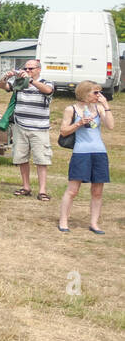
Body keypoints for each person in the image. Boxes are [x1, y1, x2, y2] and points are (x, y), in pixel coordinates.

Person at [57, 81, 113, 234]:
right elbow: (63, 131)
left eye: (99, 93)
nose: (98, 95)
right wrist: (79, 123)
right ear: (84, 93)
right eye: (95, 93)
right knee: (73, 190)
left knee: (97, 191)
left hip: (99, 152)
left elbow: (111, 125)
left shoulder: (100, 108)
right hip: (81, 153)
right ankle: (63, 221)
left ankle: (94, 223)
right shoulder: (71, 109)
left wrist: (106, 106)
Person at [1, 59, 55, 200]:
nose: (28, 71)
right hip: (20, 126)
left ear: (39, 69)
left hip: (39, 128)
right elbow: (3, 87)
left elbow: (48, 91)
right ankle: (26, 187)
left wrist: (30, 81)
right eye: (26, 68)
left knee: (41, 160)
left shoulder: (46, 82)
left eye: (31, 68)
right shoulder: (19, 82)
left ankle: (42, 190)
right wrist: (6, 77)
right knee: (21, 157)